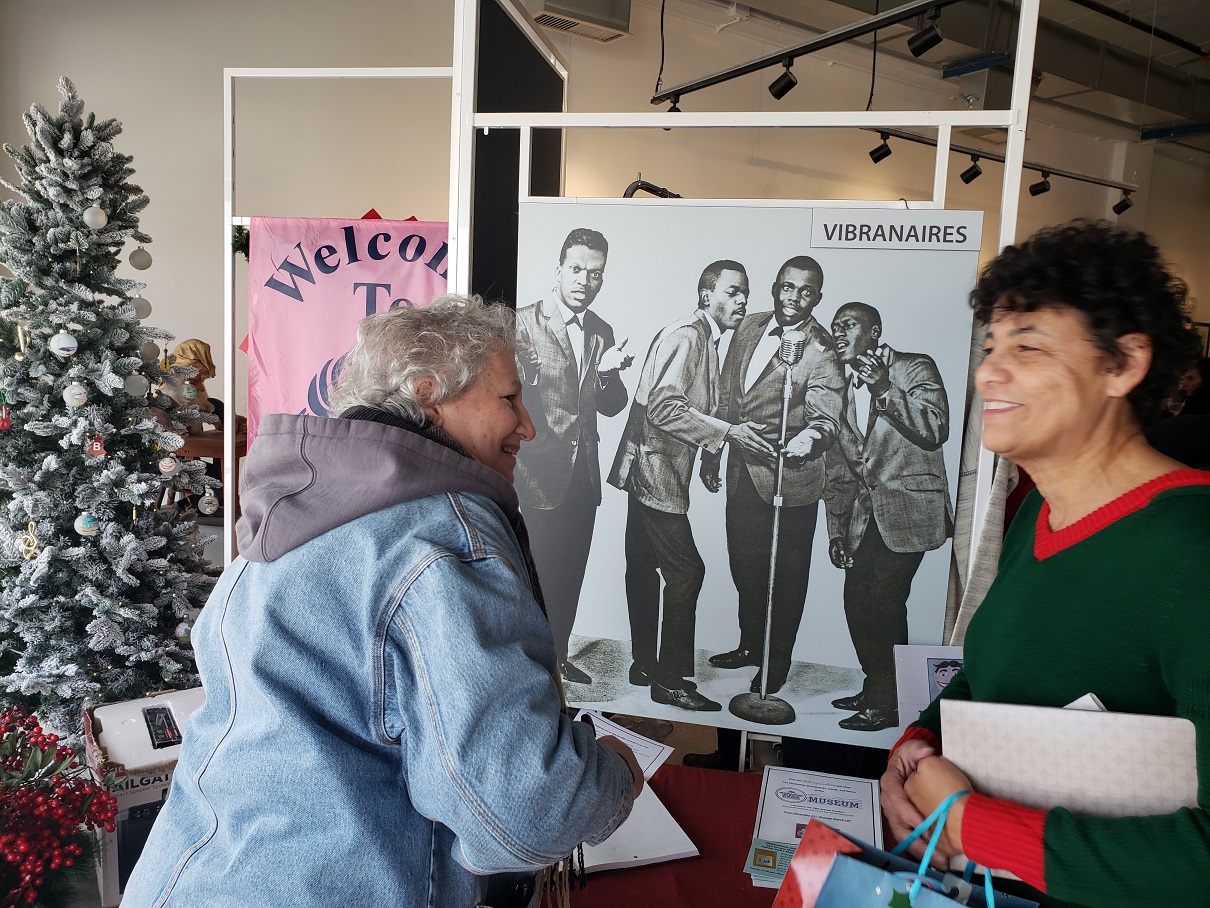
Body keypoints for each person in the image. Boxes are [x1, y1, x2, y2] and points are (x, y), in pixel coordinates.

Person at [123, 296, 642, 908]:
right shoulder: (443, 535)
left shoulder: (294, 509)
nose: (527, 426)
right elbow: (528, 810)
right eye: (508, 399)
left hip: (189, 877)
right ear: (428, 396)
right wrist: (616, 773)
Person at [880, 221, 1210, 908]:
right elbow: (1004, 668)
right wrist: (917, 746)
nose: (989, 371)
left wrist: (969, 823)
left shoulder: (1191, 548)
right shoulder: (1040, 512)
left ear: (1124, 364)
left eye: (1027, 347)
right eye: (992, 345)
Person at [608, 260, 769, 713]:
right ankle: (671, 680)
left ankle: (644, 666)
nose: (742, 301)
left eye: (745, 294)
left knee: (642, 566)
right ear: (705, 295)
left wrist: (709, 457)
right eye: (733, 292)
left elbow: (690, 407)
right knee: (687, 571)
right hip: (653, 469)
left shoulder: (707, 339)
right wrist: (726, 436)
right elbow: (663, 409)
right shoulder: (690, 336)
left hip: (651, 466)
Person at [701, 255, 844, 697]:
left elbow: (827, 416)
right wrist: (712, 450)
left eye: (805, 292)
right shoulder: (750, 326)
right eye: (787, 288)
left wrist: (813, 438)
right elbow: (729, 391)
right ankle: (749, 645)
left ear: (817, 298)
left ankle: (776, 662)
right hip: (743, 469)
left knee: (786, 576)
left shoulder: (824, 351)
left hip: (791, 480)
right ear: (775, 288)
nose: (794, 299)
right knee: (745, 565)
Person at [823, 302, 953, 732]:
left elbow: (936, 429)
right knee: (856, 602)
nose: (838, 332)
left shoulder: (915, 368)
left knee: (884, 599)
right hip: (864, 517)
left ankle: (887, 699)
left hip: (911, 510)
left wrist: (883, 390)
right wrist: (836, 531)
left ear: (874, 332)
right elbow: (843, 469)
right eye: (834, 327)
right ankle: (877, 684)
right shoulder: (839, 390)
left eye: (848, 325)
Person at [515, 228, 634, 686]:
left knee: (571, 573)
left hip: (583, 474)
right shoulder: (522, 324)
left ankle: (559, 657)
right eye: (578, 269)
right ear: (559, 269)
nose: (586, 280)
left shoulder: (602, 330)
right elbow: (516, 396)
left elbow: (611, 404)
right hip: (535, 473)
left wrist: (607, 377)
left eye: (596, 273)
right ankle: (530, 665)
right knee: (533, 573)